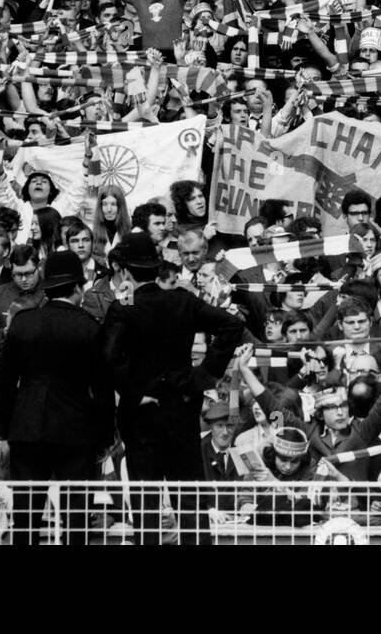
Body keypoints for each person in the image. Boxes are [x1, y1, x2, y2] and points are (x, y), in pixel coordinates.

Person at [101, 232, 244, 543]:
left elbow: (110, 357)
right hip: (181, 402)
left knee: (146, 503)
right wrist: (204, 375)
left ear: (125, 271)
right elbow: (232, 325)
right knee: (189, 495)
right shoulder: (182, 299)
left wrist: (136, 391)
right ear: (156, 268)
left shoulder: (125, 304)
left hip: (141, 413)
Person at [0, 250, 115, 546]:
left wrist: (9, 426)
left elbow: (5, 382)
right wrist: (104, 436)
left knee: (25, 518)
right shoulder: (90, 327)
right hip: (75, 429)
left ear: (47, 287)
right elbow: (102, 388)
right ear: (78, 287)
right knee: (77, 518)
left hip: (27, 426)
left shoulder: (23, 322)